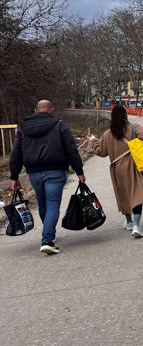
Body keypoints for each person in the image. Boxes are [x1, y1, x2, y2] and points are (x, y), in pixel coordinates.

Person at [9, 100, 86, 255]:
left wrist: (14, 176)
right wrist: (79, 171)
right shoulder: (59, 125)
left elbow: (16, 154)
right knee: (52, 204)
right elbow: (71, 150)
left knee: (43, 202)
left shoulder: (23, 128)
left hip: (33, 172)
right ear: (51, 110)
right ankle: (47, 240)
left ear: (36, 110)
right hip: (55, 171)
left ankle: (48, 233)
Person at [91, 104, 143, 238]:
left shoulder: (107, 134)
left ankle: (128, 221)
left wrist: (94, 142)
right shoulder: (133, 127)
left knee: (123, 195)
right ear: (125, 115)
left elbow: (102, 152)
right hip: (133, 165)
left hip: (117, 168)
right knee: (137, 195)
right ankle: (136, 225)